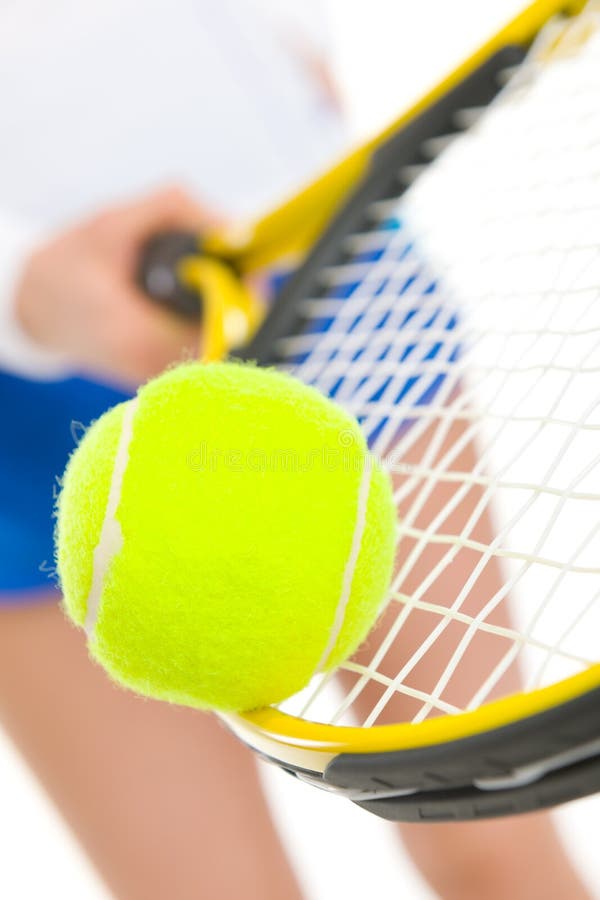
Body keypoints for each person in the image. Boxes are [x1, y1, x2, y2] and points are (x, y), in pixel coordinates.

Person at [0, 1, 590, 898]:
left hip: (322, 272)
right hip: (25, 405)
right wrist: (23, 285)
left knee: (499, 858)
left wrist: (286, 36)